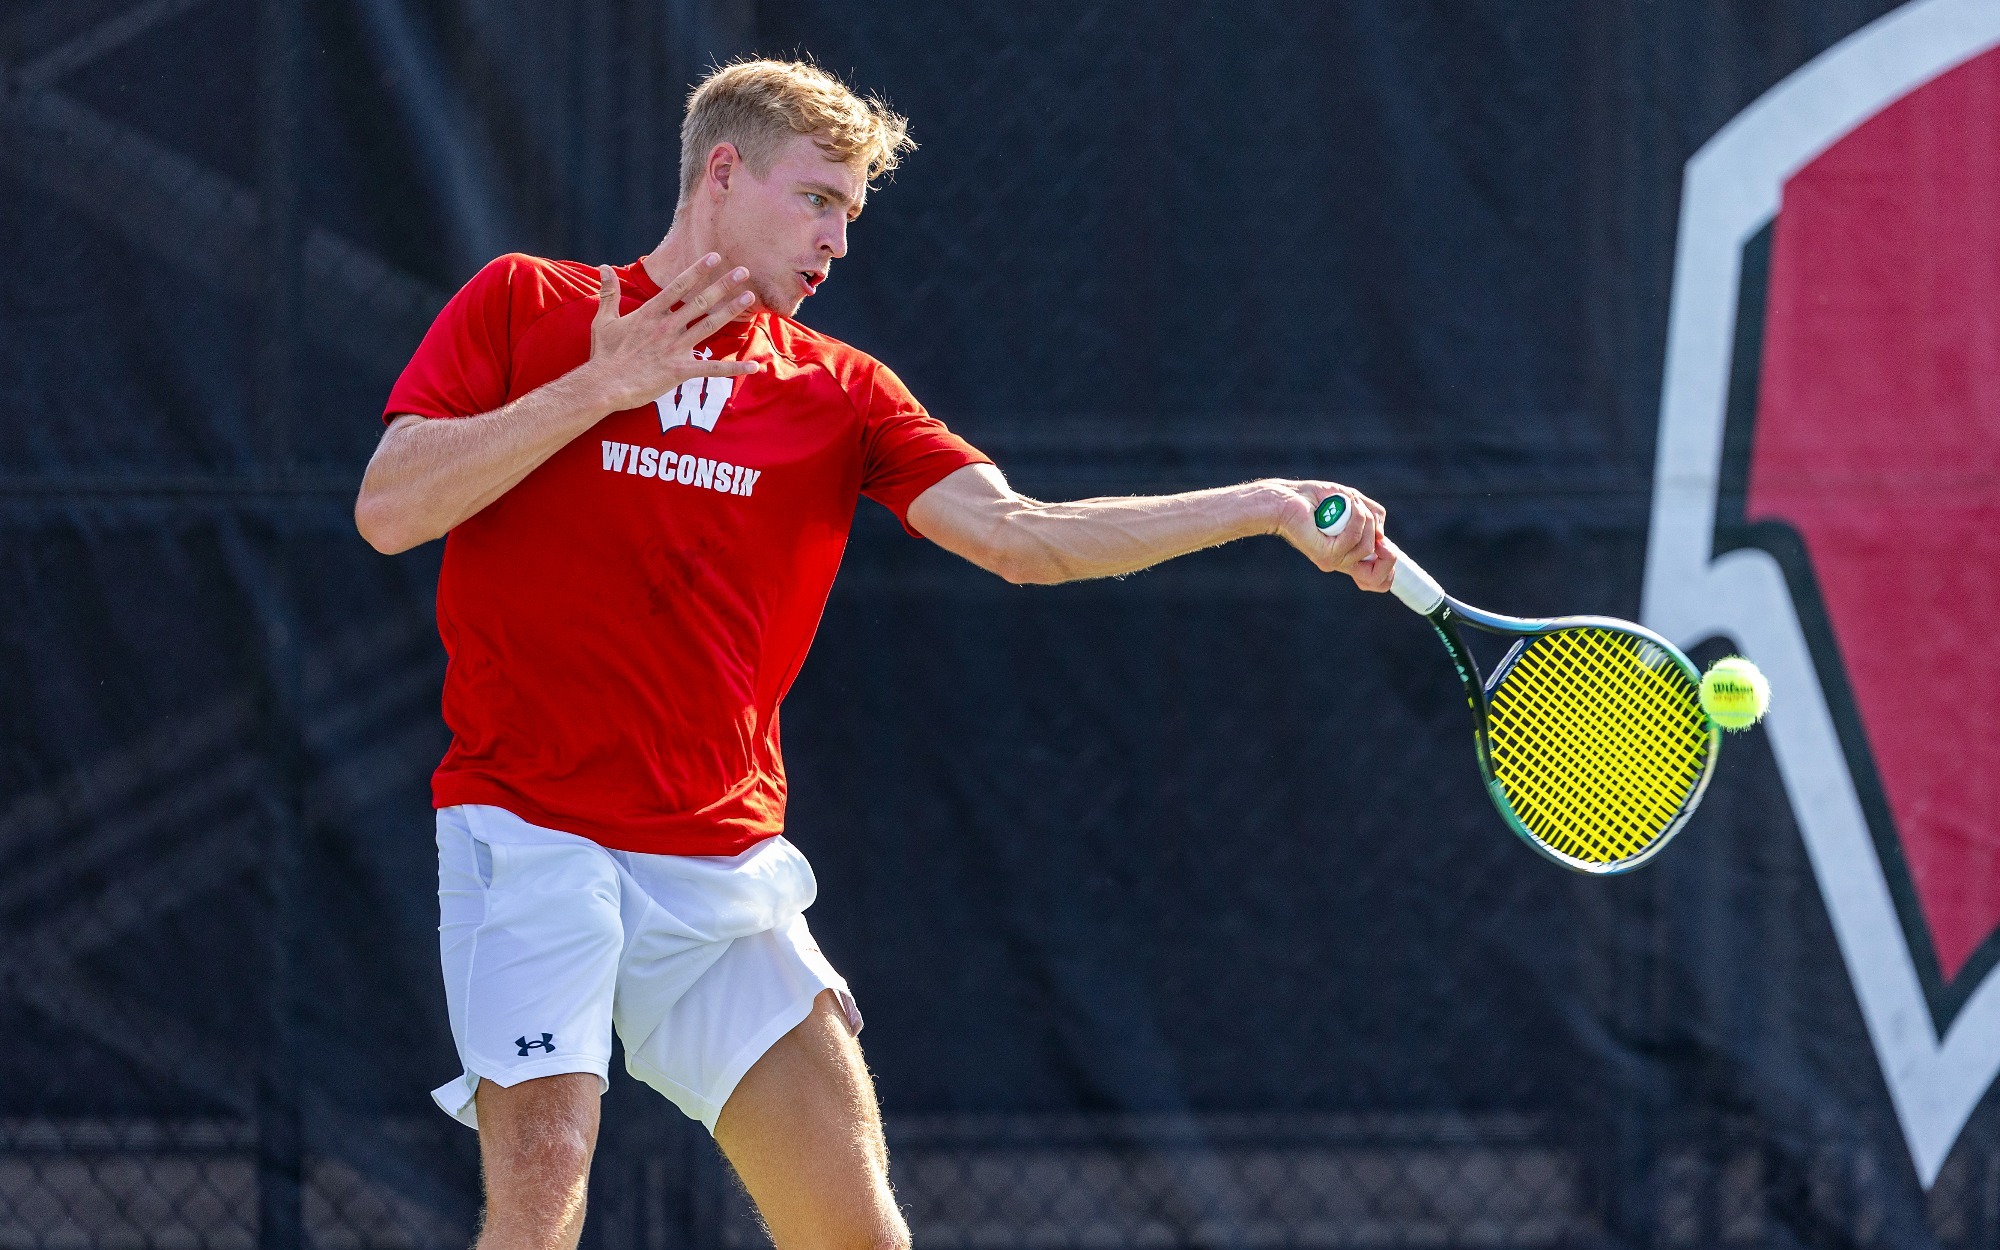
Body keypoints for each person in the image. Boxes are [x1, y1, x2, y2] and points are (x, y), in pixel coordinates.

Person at [354, 57, 1395, 1250]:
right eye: (816, 201)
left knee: (858, 1233)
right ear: (724, 172)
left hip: (720, 866)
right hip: (530, 832)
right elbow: (390, 508)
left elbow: (1021, 538)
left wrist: (1260, 503)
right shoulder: (526, 302)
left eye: (851, 212)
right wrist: (603, 384)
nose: (838, 240)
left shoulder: (841, 396)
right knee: (540, 1213)